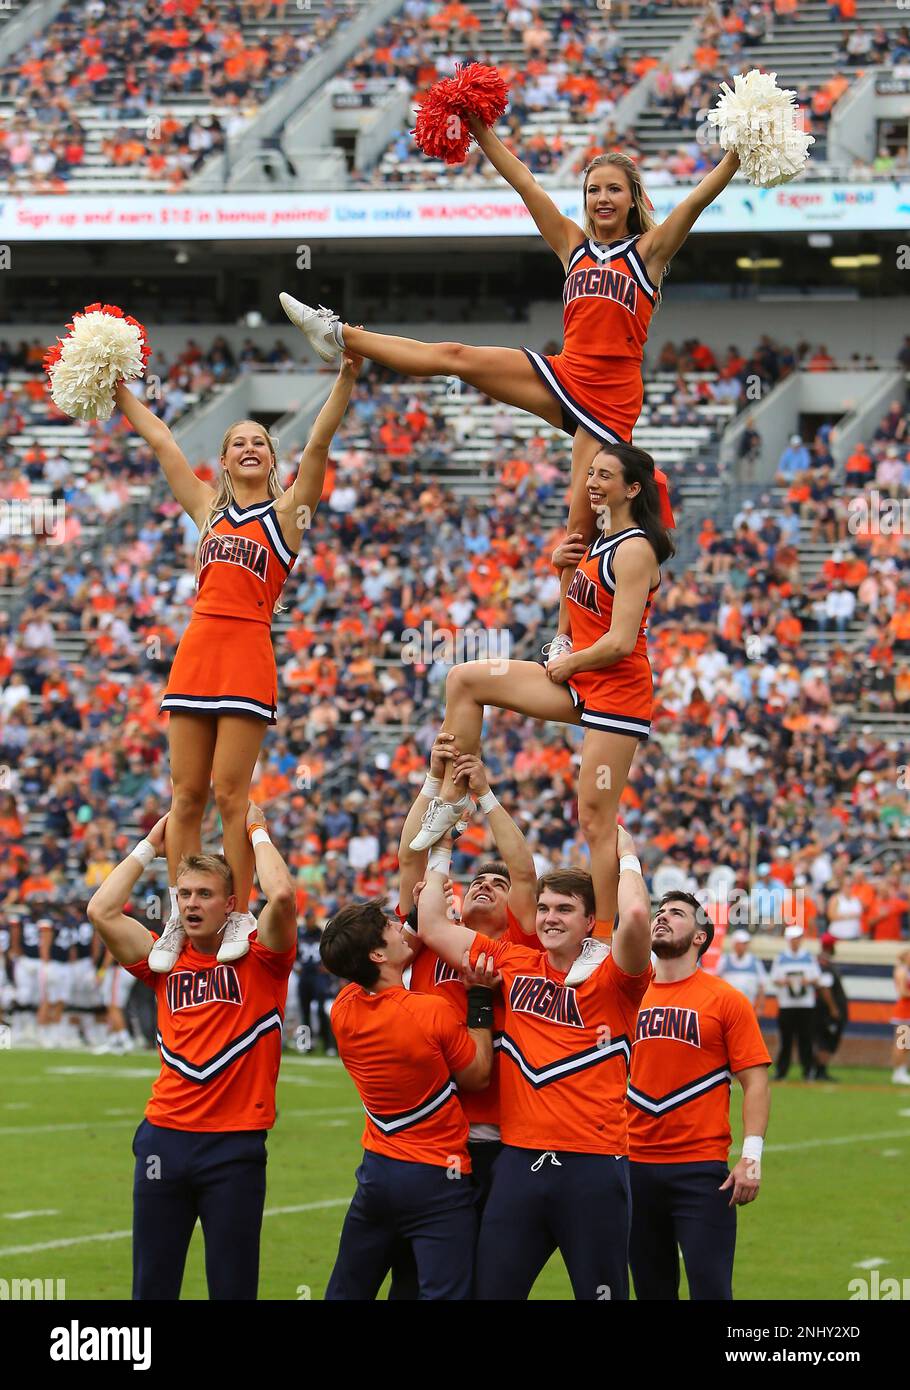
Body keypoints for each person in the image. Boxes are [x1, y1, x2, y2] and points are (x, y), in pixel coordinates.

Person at [279, 124, 739, 656]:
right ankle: (336, 334)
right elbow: (525, 183)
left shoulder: (649, 253)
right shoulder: (572, 246)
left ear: (634, 199)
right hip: (565, 374)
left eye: (614, 189)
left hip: (608, 403)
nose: (602, 198)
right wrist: (479, 129)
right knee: (458, 357)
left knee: (578, 525)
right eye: (593, 189)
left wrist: (735, 153)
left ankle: (565, 639)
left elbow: (700, 199)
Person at [113, 349, 362, 973]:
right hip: (196, 652)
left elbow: (321, 442)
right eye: (238, 442)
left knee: (231, 796)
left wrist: (347, 376)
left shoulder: (286, 516)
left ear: (273, 459)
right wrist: (118, 393)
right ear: (223, 460)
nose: (250, 447)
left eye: (260, 441)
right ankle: (179, 911)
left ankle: (239, 911)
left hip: (248, 654)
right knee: (185, 794)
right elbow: (165, 441)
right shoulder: (206, 511)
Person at [406, 445, 673, 927]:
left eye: (605, 476)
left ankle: (604, 937)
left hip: (616, 688)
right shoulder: (596, 541)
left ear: (632, 489)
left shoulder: (635, 548)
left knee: (594, 817)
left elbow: (620, 642)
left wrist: (567, 666)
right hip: (580, 676)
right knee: (464, 679)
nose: (592, 482)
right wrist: (563, 575)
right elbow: (573, 623)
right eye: (590, 473)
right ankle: (451, 800)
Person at [417, 825, 652, 1301]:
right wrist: (442, 844)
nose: (549, 918)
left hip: (593, 1163)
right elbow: (432, 925)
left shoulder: (616, 978)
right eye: (543, 908)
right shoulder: (513, 961)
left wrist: (626, 855)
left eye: (564, 909)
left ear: (590, 921)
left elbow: (634, 913)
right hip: (519, 1160)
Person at [86, 802, 297, 1300]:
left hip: (234, 1146)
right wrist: (150, 846)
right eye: (184, 895)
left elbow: (283, 895)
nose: (192, 903)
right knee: (153, 1286)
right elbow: (101, 910)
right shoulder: (163, 959)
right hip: (164, 1140)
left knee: (232, 1286)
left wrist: (256, 830)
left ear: (231, 904)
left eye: (205, 894)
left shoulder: (261, 960)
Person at [319, 900, 493, 1300]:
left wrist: (422, 908)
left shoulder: (343, 1008)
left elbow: (398, 950)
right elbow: (479, 1075)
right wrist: (480, 998)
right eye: (391, 925)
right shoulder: (430, 1010)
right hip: (436, 1177)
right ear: (377, 954)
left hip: (377, 1173)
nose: (400, 927)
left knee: (348, 1289)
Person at [627, 891, 771, 1300]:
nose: (662, 917)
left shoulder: (726, 999)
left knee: (710, 1290)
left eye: (676, 913)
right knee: (651, 1291)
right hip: (634, 1166)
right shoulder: (627, 992)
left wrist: (752, 1157)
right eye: (659, 912)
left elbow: (755, 1081)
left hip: (701, 1171)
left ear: (700, 937)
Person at [770, 925, 827, 1081]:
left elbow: (817, 978)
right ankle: (781, 1071)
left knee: (806, 1039)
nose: (795, 942)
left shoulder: (809, 957)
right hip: (786, 1004)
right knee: (785, 1040)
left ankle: (808, 1070)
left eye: (797, 939)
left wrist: (804, 981)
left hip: (805, 1004)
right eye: (792, 939)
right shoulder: (780, 958)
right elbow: (774, 979)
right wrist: (786, 981)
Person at [813, 932, 848, 1081]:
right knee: (826, 1040)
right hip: (827, 1011)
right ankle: (820, 1071)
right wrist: (833, 1009)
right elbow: (825, 988)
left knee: (827, 1040)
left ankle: (820, 1070)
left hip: (828, 1010)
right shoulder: (824, 965)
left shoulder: (824, 963)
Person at [715, 928, 768, 1012]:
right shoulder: (724, 960)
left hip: (749, 1007)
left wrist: (761, 1006)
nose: (742, 947)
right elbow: (716, 983)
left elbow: (761, 986)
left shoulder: (756, 961)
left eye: (744, 944)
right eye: (740, 944)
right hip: (728, 1008)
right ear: (734, 944)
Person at [891, 948, 910, 1086]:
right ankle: (898, 1072)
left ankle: (902, 1070)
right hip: (904, 1011)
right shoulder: (902, 971)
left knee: (906, 1044)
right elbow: (903, 992)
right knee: (901, 1044)